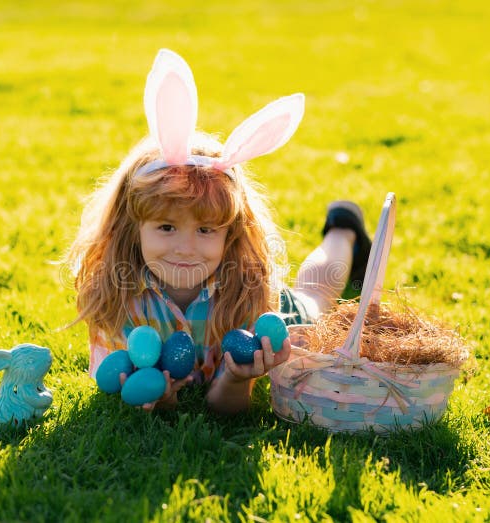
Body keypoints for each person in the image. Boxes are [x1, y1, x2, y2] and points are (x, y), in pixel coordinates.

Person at [65, 49, 371, 414]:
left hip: (269, 304)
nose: (185, 248)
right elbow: (124, 387)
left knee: (316, 298)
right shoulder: (115, 296)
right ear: (133, 227)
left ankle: (344, 229)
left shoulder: (248, 295)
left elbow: (225, 409)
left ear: (232, 234)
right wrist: (160, 400)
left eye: (207, 229)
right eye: (166, 227)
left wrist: (237, 378)